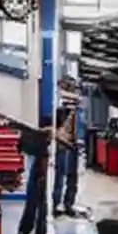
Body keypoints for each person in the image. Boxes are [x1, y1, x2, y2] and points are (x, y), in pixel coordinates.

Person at [17, 114, 54, 234]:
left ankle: (23, 233)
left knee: (31, 204)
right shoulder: (42, 140)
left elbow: (21, 146)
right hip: (39, 173)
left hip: (35, 171)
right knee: (42, 208)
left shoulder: (31, 135)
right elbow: (44, 161)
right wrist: (43, 180)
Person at [52, 77, 81, 216]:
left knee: (69, 175)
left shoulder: (73, 104)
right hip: (64, 142)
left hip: (71, 142)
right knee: (62, 174)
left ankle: (66, 203)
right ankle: (59, 203)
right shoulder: (61, 103)